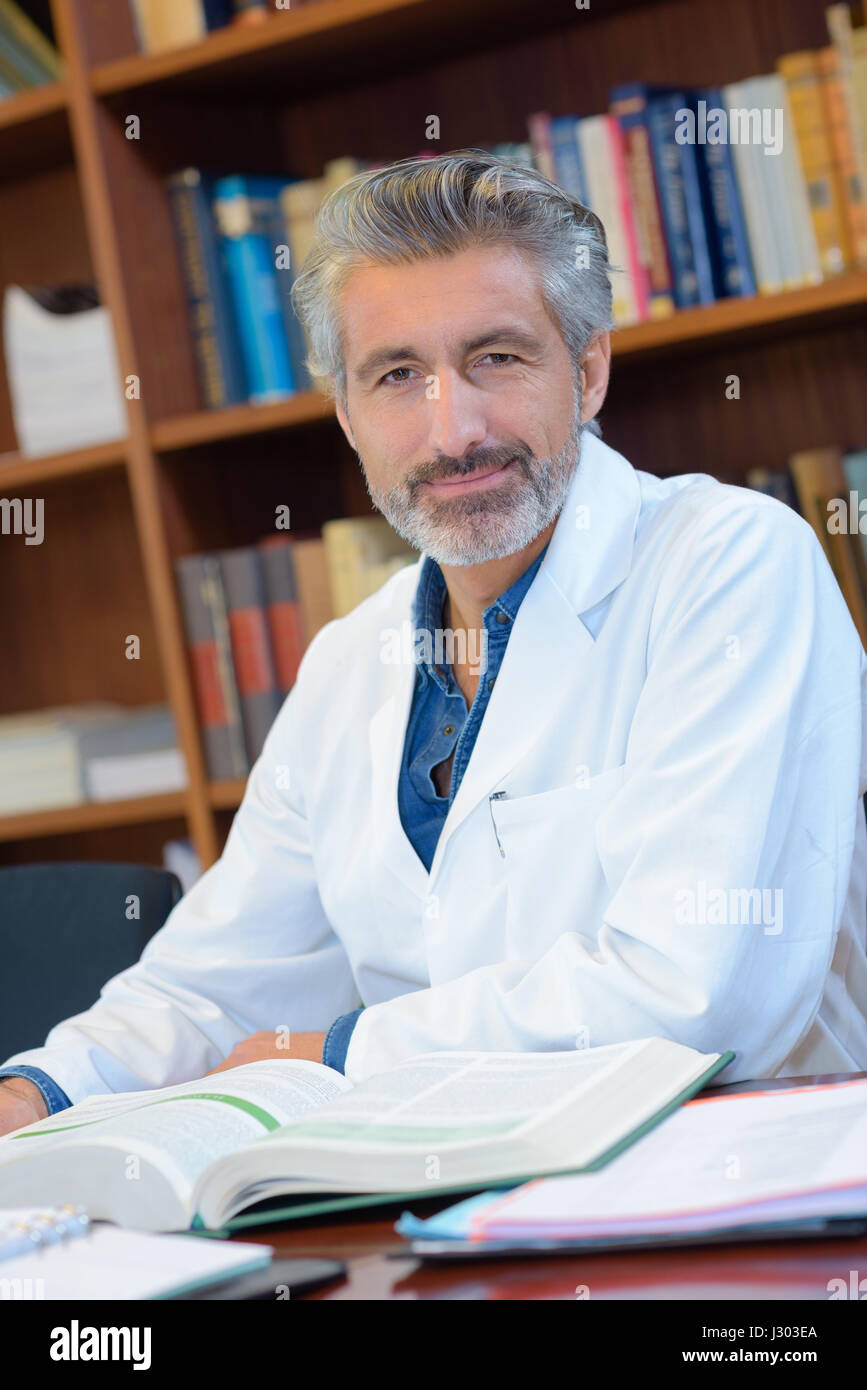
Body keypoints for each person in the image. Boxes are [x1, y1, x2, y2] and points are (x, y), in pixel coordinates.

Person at [2, 149, 866, 1139]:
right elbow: (213, 985)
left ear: (586, 371)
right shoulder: (347, 661)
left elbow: (700, 995)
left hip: (745, 1191)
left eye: (495, 358)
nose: (453, 428)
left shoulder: (732, 565)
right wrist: (40, 1091)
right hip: (447, 1203)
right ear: (348, 415)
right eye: (397, 374)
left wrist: (341, 1055)